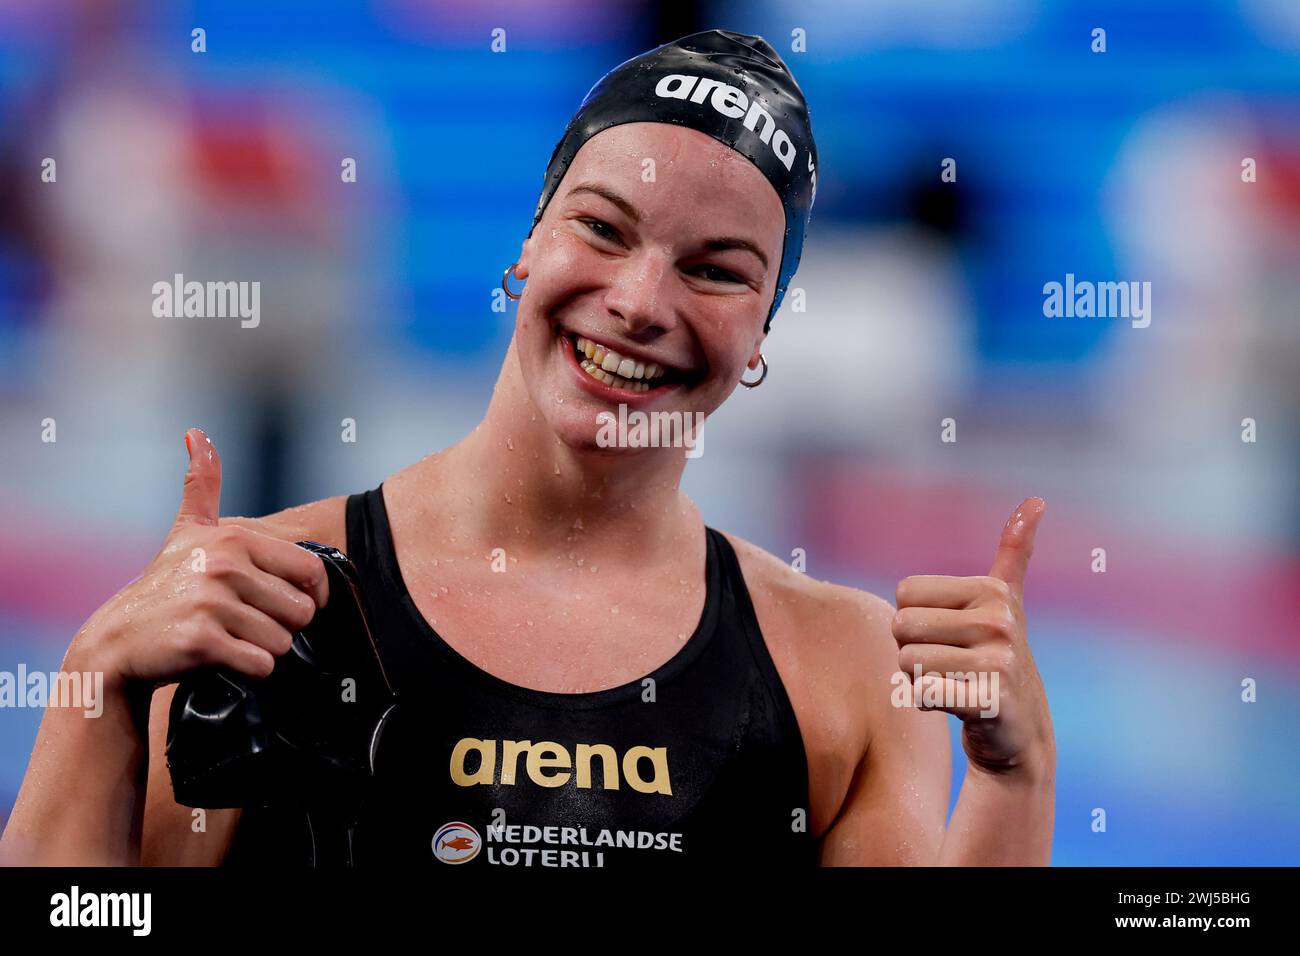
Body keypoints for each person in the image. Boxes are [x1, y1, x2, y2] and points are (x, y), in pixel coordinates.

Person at [1, 30, 1055, 868]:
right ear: (529, 239)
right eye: (602, 229)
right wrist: (92, 683)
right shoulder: (271, 604)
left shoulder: (844, 666)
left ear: (763, 335)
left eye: (718, 269)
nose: (640, 302)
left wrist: (1015, 783)